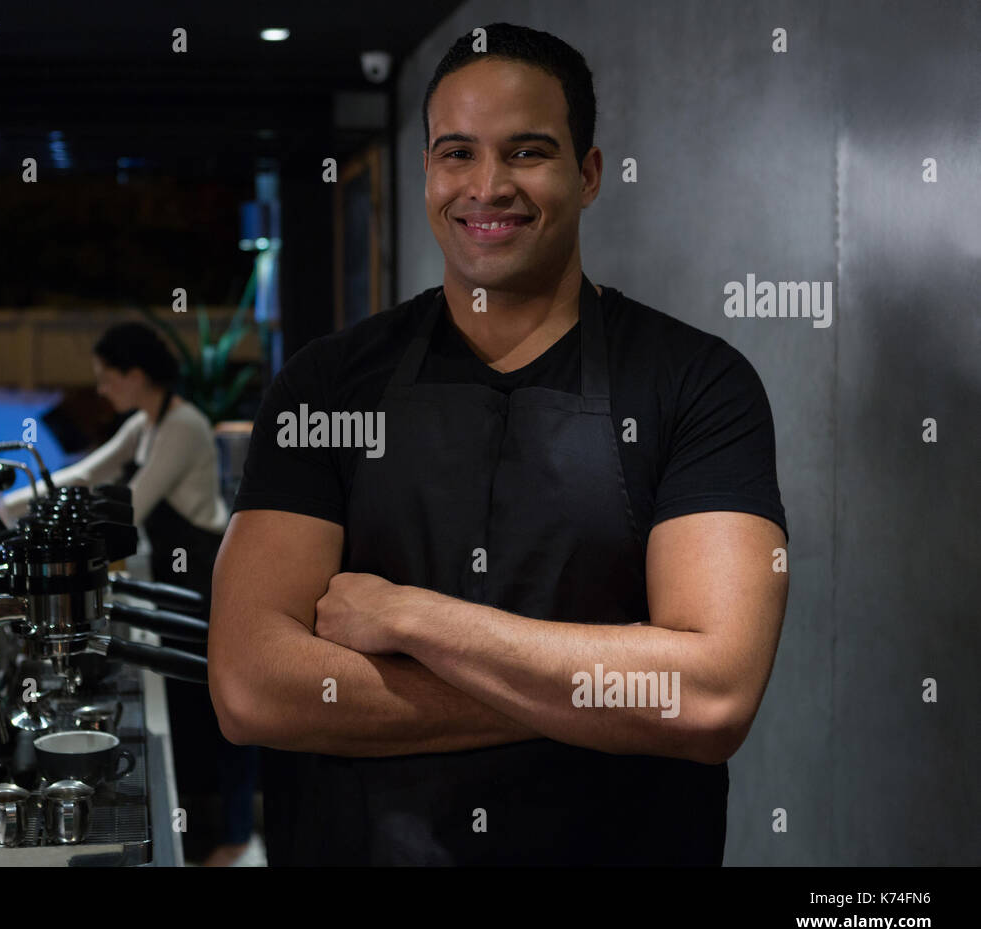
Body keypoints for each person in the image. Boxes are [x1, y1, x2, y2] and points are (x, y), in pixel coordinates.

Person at [209, 22, 790, 865]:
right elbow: (251, 688)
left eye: (526, 152)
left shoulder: (697, 383)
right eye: (457, 153)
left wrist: (411, 617)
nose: (487, 187)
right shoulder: (326, 385)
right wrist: (591, 696)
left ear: (588, 175)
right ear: (426, 174)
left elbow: (709, 699)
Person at [0, 320, 258, 866]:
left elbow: (132, 505)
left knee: (219, 701)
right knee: (195, 705)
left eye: (106, 378)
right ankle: (210, 835)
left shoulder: (183, 424)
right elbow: (87, 472)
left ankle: (233, 837)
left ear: (135, 375)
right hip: (177, 572)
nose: (101, 390)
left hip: (208, 576)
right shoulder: (147, 422)